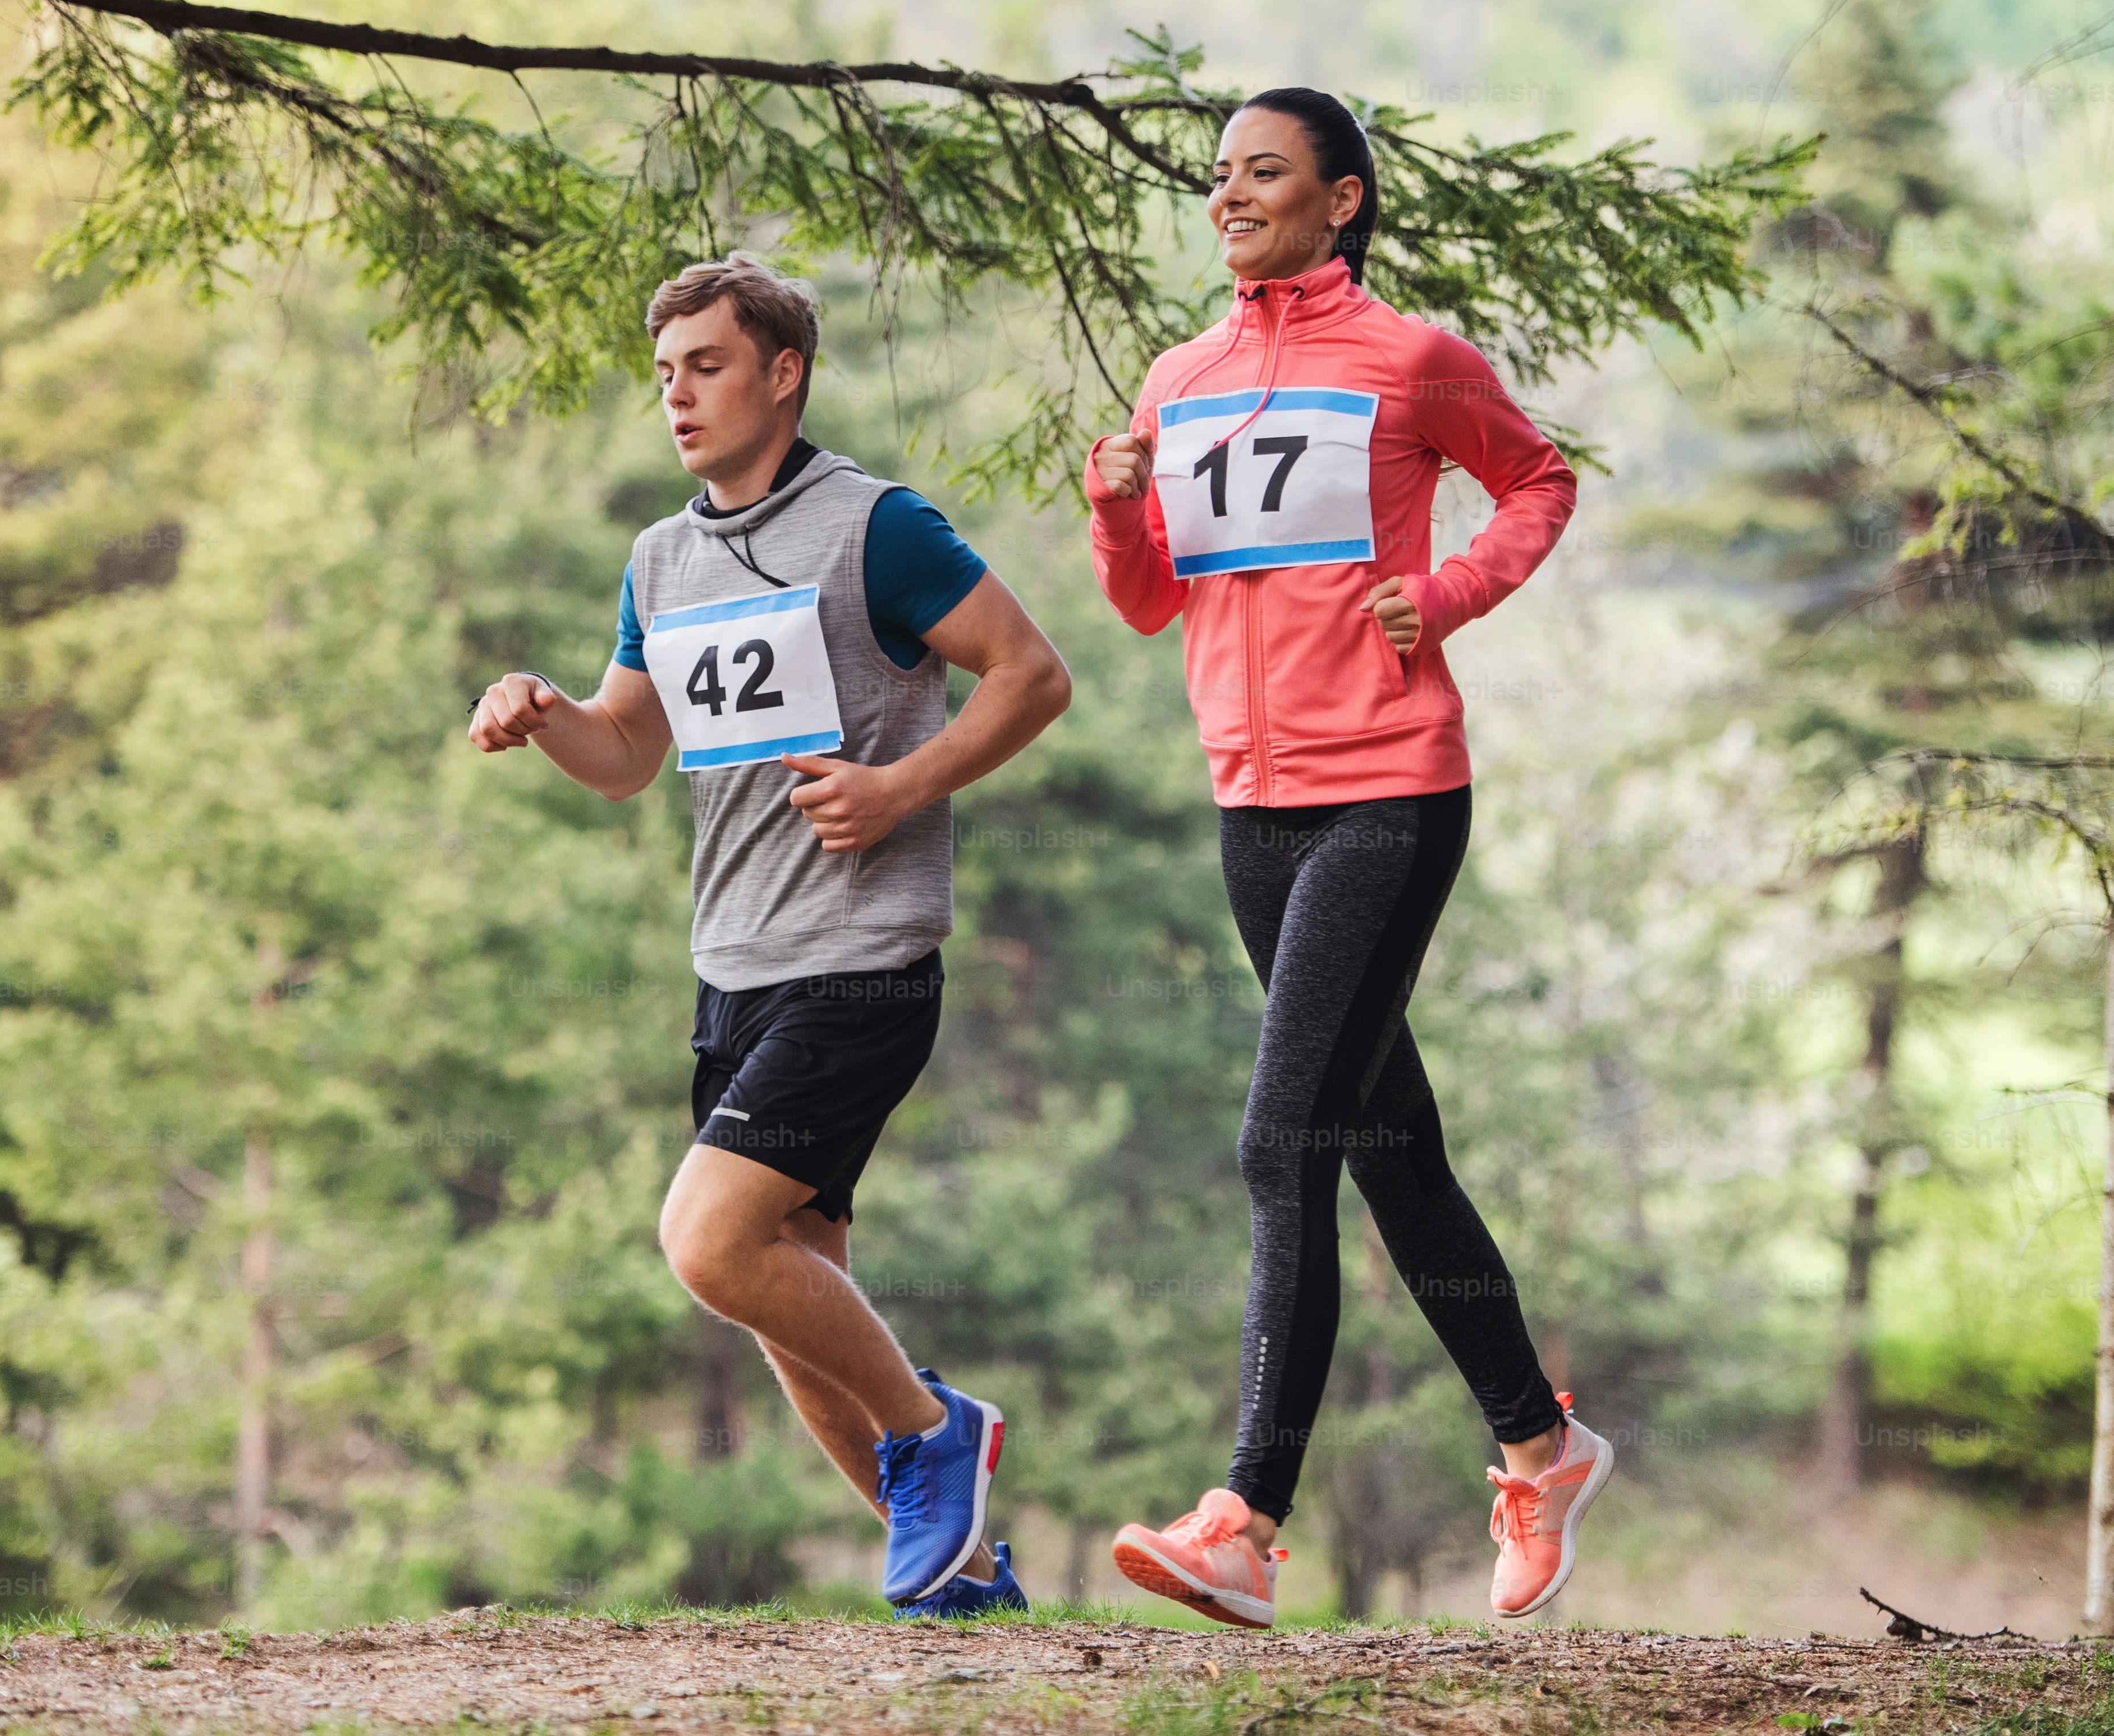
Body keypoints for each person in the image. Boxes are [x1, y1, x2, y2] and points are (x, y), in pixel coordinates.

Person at [469, 255, 1071, 1619]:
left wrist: (899, 785)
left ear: (781, 373)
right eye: (664, 371)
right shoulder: (661, 560)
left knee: (708, 1243)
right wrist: (539, 707)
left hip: (860, 960)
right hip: (731, 970)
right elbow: (627, 753)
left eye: (706, 364)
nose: (676, 393)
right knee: (790, 1293)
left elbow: (1034, 674)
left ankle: (939, 1434)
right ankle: (967, 1583)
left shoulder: (876, 527)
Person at [1087, 89, 1608, 1627]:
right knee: (1386, 1147)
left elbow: (1537, 479)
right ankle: (1538, 1439)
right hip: (1252, 805)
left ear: (1341, 200)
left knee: (1280, 1143)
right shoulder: (1178, 377)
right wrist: (1115, 514)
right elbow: (1147, 602)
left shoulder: (1408, 361)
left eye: (1260, 173)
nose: (1225, 195)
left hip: (1388, 788)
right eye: (1217, 175)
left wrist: (1441, 597)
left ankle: (1243, 1518)